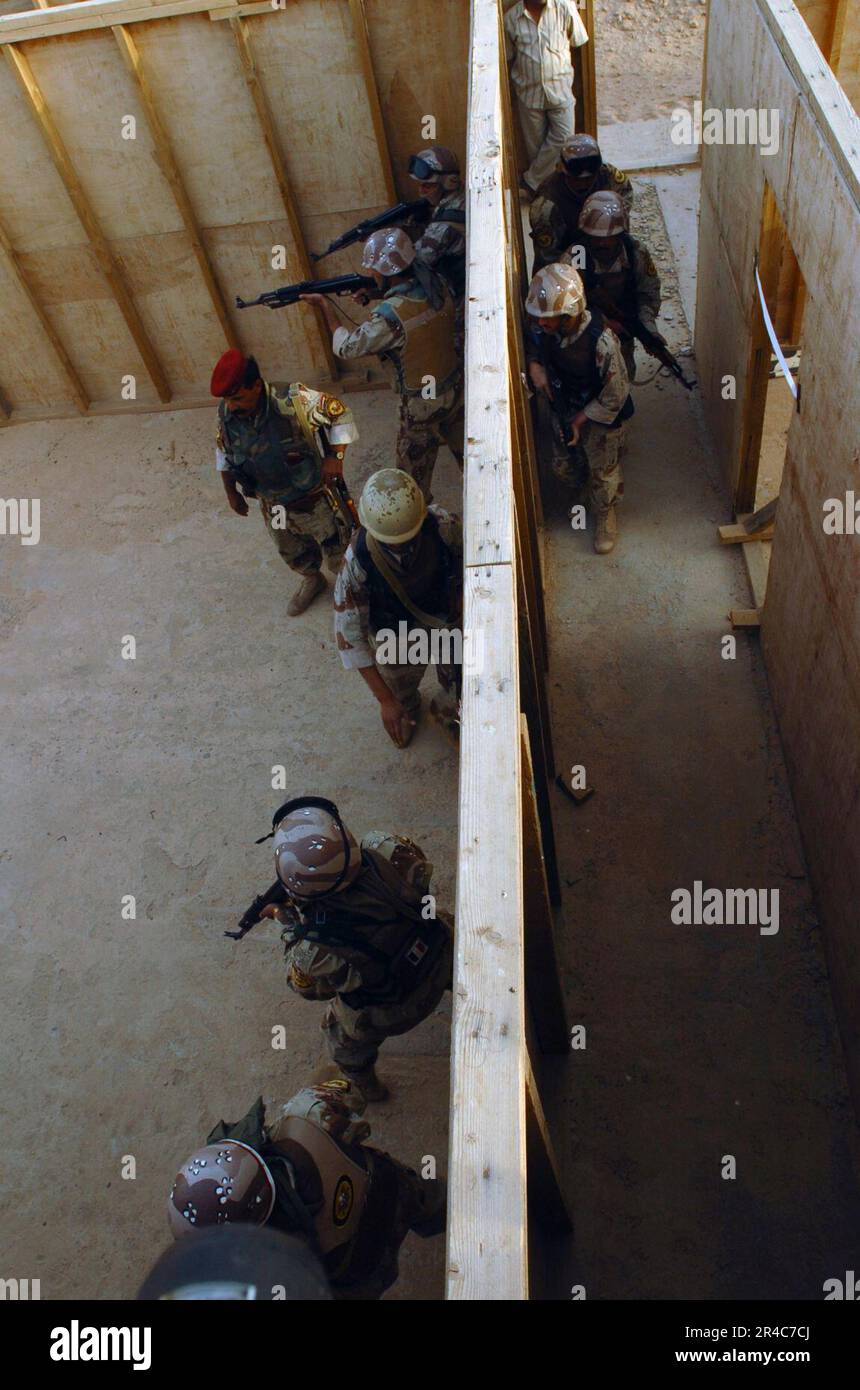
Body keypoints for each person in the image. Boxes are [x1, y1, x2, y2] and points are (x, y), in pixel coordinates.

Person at [164, 1079, 446, 1300]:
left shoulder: (271, 1271)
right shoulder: (305, 1118)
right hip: (394, 1191)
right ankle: (454, 1218)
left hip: (363, 1273)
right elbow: (350, 1095)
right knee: (437, 1203)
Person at [254, 796, 454, 1103]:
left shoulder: (313, 949)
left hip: (394, 1010)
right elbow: (417, 875)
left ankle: (369, 1090)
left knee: (342, 1044)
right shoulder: (386, 848)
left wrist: (287, 921)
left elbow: (310, 990)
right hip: (442, 955)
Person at [301, 229, 463, 501]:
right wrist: (378, 294)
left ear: (387, 273)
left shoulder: (389, 318)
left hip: (421, 408)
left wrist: (325, 308)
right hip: (454, 387)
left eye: (376, 270)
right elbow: (413, 304)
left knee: (410, 489)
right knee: (471, 459)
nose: (373, 274)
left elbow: (347, 347)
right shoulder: (437, 282)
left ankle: (418, 528)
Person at [211, 349, 357, 616]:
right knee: (291, 549)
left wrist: (336, 457)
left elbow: (341, 414)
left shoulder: (295, 401)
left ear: (256, 386)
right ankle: (312, 579)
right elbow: (223, 450)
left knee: (338, 548)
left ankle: (350, 589)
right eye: (228, 400)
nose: (231, 406)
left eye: (238, 398)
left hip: (314, 500)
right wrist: (231, 492)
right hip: (273, 504)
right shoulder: (227, 411)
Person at [334, 468, 462, 748]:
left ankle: (451, 700)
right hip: (394, 637)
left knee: (460, 683)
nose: (403, 547)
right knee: (400, 695)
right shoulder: (358, 561)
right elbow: (350, 638)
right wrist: (386, 701)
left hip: (444, 624)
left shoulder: (442, 525)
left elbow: (469, 568)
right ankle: (407, 704)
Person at [525, 262, 632, 554]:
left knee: (603, 472)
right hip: (566, 405)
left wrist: (581, 420)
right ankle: (584, 484)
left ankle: (605, 515)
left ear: (569, 316)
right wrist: (535, 365)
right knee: (564, 468)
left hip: (600, 413)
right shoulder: (548, 328)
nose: (541, 324)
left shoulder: (601, 343)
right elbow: (534, 339)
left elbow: (616, 394)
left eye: (548, 319)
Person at [564, 189, 664, 381]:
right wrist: (602, 323)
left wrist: (648, 328)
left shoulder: (635, 253)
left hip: (623, 335)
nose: (602, 243)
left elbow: (648, 294)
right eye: (596, 237)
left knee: (622, 380)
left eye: (609, 237)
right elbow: (564, 309)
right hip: (584, 339)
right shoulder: (576, 257)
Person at [504, 0, 590, 198]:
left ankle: (530, 182)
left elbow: (578, 40)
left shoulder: (563, 8)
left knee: (564, 139)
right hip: (529, 94)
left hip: (560, 91)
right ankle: (546, 197)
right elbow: (508, 56)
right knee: (535, 150)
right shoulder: (511, 18)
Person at [529, 133, 634, 269]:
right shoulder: (545, 206)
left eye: (589, 178)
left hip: (608, 245)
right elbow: (549, 258)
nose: (583, 185)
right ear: (562, 170)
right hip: (568, 258)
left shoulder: (609, 177)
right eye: (577, 179)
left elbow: (624, 208)